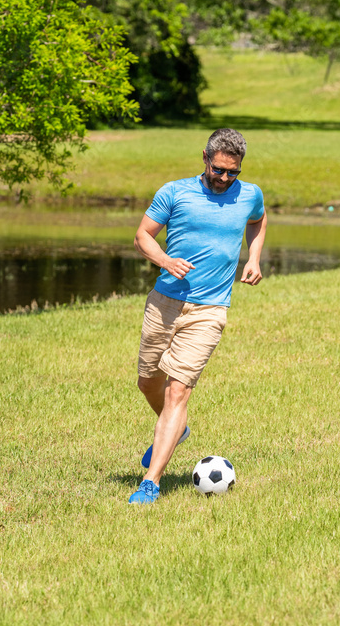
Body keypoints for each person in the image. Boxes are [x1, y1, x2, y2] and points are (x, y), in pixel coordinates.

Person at [128, 128, 266, 504]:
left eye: (232, 172)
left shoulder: (249, 194)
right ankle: (176, 431)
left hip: (210, 310)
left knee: (178, 391)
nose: (224, 178)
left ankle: (151, 482)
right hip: (164, 303)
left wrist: (253, 258)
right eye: (219, 170)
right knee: (147, 382)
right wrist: (164, 260)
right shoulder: (174, 192)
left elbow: (258, 219)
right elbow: (143, 236)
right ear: (205, 157)